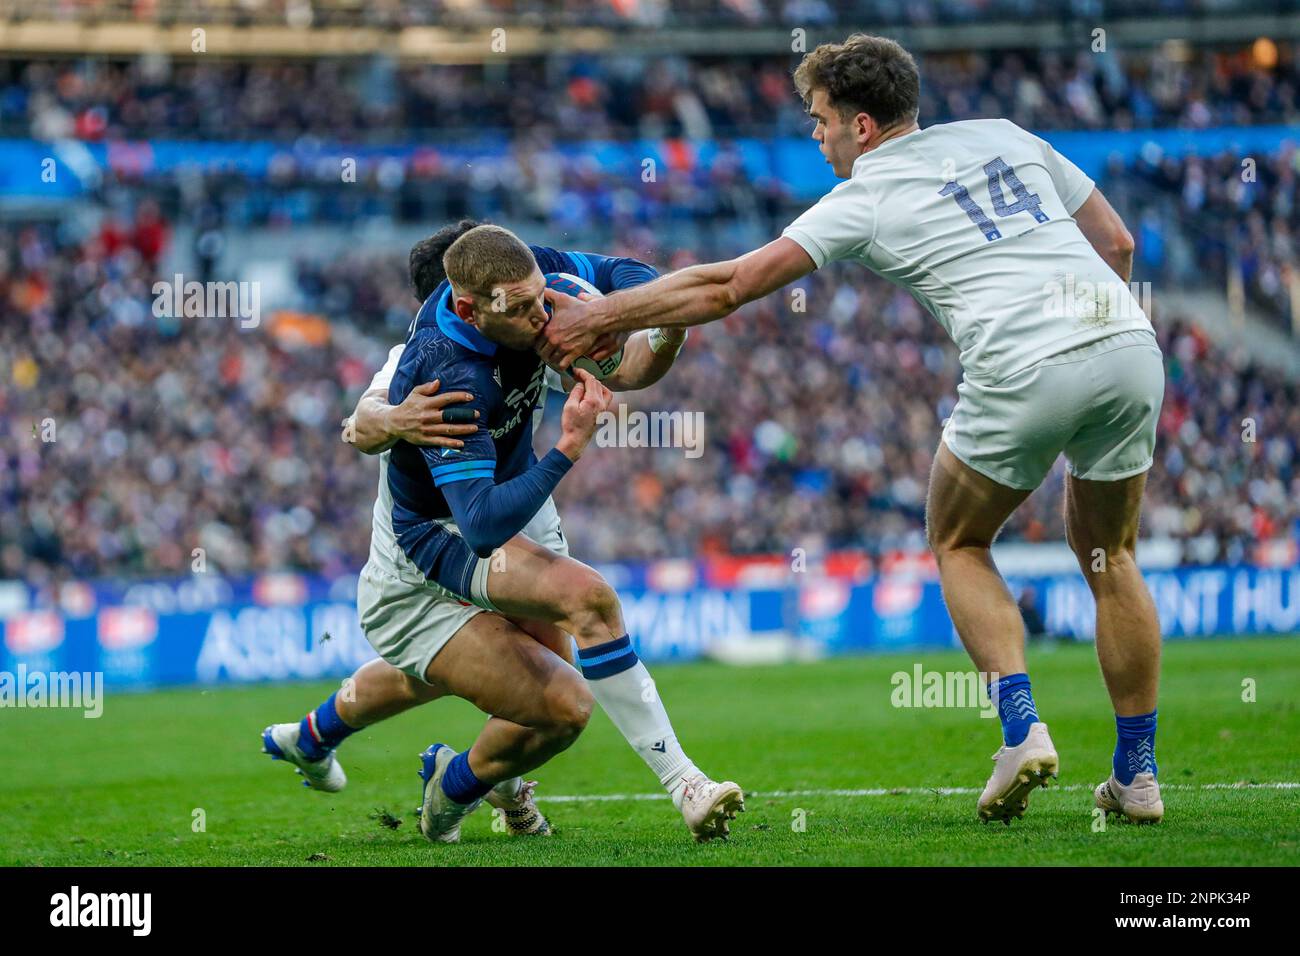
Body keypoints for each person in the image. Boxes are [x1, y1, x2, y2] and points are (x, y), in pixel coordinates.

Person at [539, 34, 1166, 825]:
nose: (815, 134)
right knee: (1112, 557)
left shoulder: (863, 196)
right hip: (1127, 342)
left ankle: (1021, 729)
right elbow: (1118, 242)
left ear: (861, 127)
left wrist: (605, 312)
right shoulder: (1007, 134)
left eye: (819, 119)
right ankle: (1137, 776)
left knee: (960, 541)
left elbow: (731, 285)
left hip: (1025, 362)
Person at [265, 221, 744, 843]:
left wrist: (650, 317)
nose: (539, 313)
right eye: (518, 305)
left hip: (501, 516)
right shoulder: (435, 369)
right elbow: (360, 429)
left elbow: (629, 354)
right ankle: (662, 784)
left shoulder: (529, 297)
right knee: (537, 665)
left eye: (534, 294)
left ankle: (348, 745)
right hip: (431, 548)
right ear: (461, 302)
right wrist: (394, 418)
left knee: (526, 678)